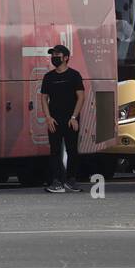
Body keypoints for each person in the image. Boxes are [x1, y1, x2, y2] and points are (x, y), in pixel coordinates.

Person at [40, 44, 85, 194]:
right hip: (54, 120)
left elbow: (81, 97)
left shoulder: (74, 75)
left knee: (72, 150)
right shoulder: (48, 77)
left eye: (57, 55)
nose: (54, 57)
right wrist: (48, 117)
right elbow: (44, 98)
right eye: (52, 55)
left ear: (66, 58)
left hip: (70, 119)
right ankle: (56, 181)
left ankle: (71, 180)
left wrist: (74, 117)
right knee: (54, 151)